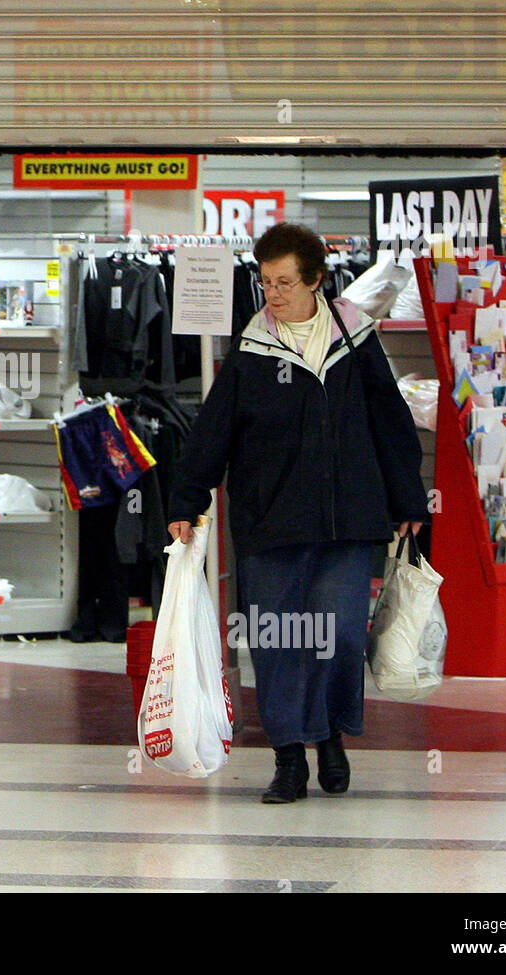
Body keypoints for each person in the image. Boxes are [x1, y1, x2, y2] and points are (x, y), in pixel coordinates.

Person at [166, 223, 426, 804]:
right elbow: (214, 432)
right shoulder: (252, 349)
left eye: (285, 283)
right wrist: (187, 499)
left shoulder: (357, 339)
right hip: (270, 523)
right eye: (266, 282)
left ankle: (329, 736)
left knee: (336, 636)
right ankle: (288, 758)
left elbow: (391, 422)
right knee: (278, 642)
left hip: (348, 521)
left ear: (316, 282)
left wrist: (408, 498)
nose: (273, 294)